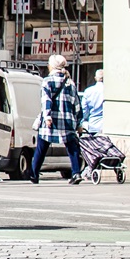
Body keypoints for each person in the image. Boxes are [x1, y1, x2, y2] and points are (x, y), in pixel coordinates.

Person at [30, 53, 84, 184]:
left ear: (52, 66)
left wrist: (47, 116)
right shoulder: (70, 83)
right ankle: (76, 173)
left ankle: (34, 174)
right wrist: (79, 122)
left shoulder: (47, 81)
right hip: (67, 120)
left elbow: (46, 100)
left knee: (42, 147)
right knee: (72, 147)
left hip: (51, 120)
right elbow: (76, 104)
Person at [81, 69, 105, 134]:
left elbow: (84, 110)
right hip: (105, 126)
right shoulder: (109, 91)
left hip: (92, 124)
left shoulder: (88, 91)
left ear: (95, 78)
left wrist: (82, 122)